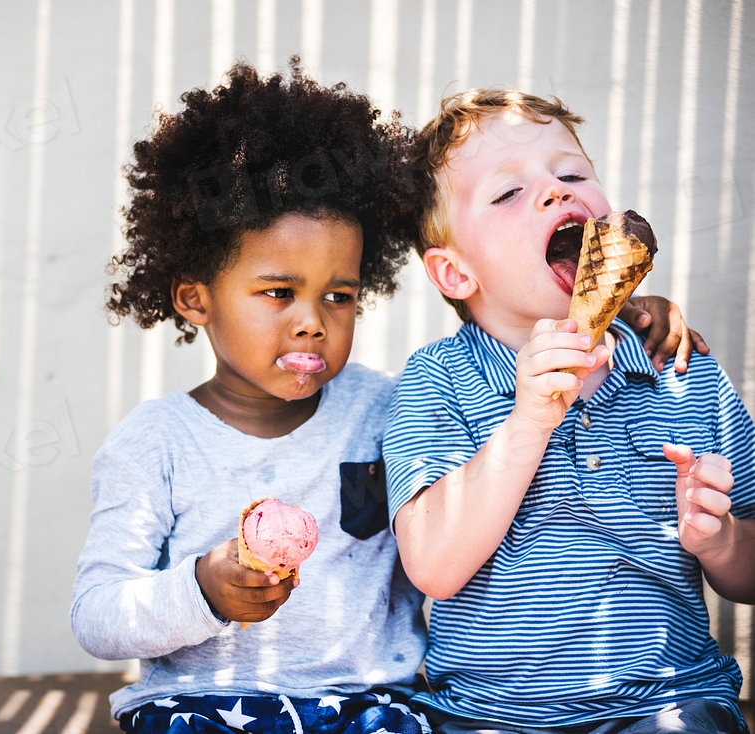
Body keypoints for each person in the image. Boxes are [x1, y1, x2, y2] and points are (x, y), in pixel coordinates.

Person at [71, 64, 705, 734]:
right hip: (201, 710)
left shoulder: (391, 406)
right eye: (278, 293)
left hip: (375, 709)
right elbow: (97, 613)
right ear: (195, 297)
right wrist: (200, 587)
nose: (313, 320)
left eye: (339, 295)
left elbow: (494, 356)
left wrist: (625, 312)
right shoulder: (155, 442)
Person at [383, 88, 754, 734]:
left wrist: (719, 541)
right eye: (507, 194)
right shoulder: (438, 379)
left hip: (668, 705)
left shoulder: (683, 372)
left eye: (572, 174)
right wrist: (527, 422)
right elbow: (434, 566)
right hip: (484, 716)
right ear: (454, 274)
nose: (556, 192)